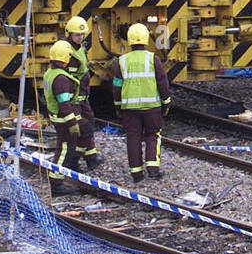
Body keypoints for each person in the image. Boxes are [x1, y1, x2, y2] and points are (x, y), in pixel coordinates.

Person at [110, 22, 172, 182]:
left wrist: (117, 106)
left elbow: (117, 86)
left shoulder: (121, 61)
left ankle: (136, 173)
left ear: (129, 40)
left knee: (133, 137)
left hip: (129, 109)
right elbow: (162, 82)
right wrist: (166, 103)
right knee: (153, 135)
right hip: (151, 107)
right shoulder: (153, 59)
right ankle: (153, 168)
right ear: (146, 39)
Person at [43, 40, 99, 196]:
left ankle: (73, 160)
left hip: (59, 116)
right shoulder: (61, 79)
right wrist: (72, 121)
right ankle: (56, 183)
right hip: (63, 118)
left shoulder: (51, 73)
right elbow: (64, 104)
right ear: (65, 58)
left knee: (86, 129)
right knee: (64, 149)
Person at [63, 16, 102, 167]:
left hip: (82, 97)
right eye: (77, 35)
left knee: (89, 123)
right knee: (83, 129)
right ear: (69, 34)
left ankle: (91, 158)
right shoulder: (68, 52)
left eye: (82, 34)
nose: (80, 37)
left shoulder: (81, 48)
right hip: (74, 98)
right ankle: (73, 161)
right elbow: (69, 79)